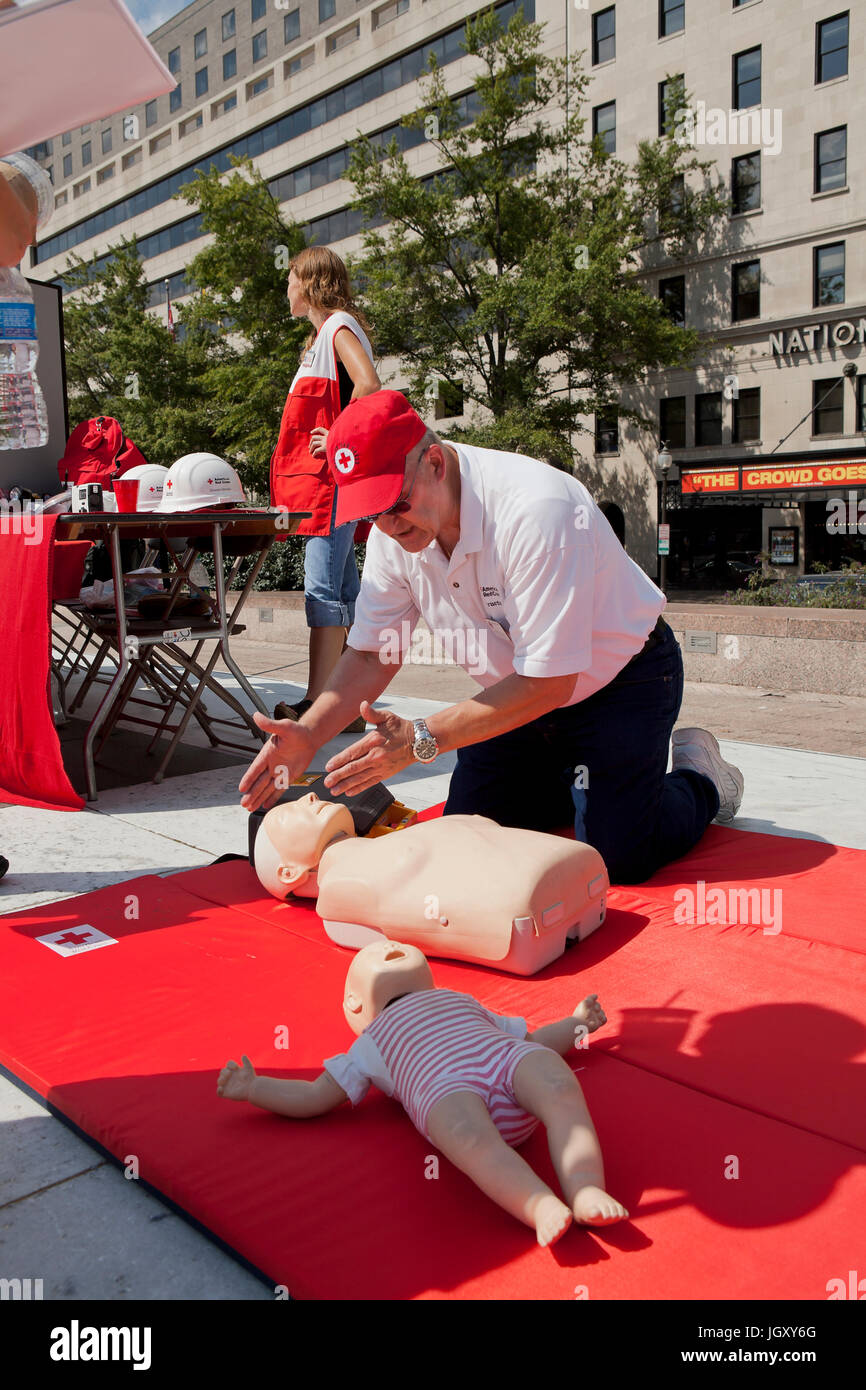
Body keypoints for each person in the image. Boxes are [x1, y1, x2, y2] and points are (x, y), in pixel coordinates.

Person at [240, 390, 744, 886]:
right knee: (468, 842)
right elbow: (374, 653)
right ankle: (578, 781)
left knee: (615, 857)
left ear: (435, 462)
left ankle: (701, 780)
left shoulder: (537, 510)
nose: (388, 525)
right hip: (514, 697)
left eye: (395, 502)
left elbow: (550, 683)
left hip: (621, 683)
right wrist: (310, 732)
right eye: (370, 513)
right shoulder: (397, 534)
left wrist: (421, 739)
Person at [217, 939, 627, 1246]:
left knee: (555, 1081)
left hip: (508, 1062)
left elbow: (533, 1038)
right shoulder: (370, 1043)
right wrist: (256, 1088)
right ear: (356, 1009)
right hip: (446, 1089)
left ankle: (585, 1185)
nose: (389, 949)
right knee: (470, 1136)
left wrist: (577, 1025)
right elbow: (314, 1096)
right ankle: (536, 1203)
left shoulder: (459, 1000)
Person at [269, 247, 381, 731]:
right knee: (344, 590)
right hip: (326, 485)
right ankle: (347, 709)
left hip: (328, 486)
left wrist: (335, 434)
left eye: (291, 278)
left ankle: (318, 703)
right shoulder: (326, 336)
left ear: (311, 282)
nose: (286, 287)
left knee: (323, 591)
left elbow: (370, 384)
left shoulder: (336, 326)